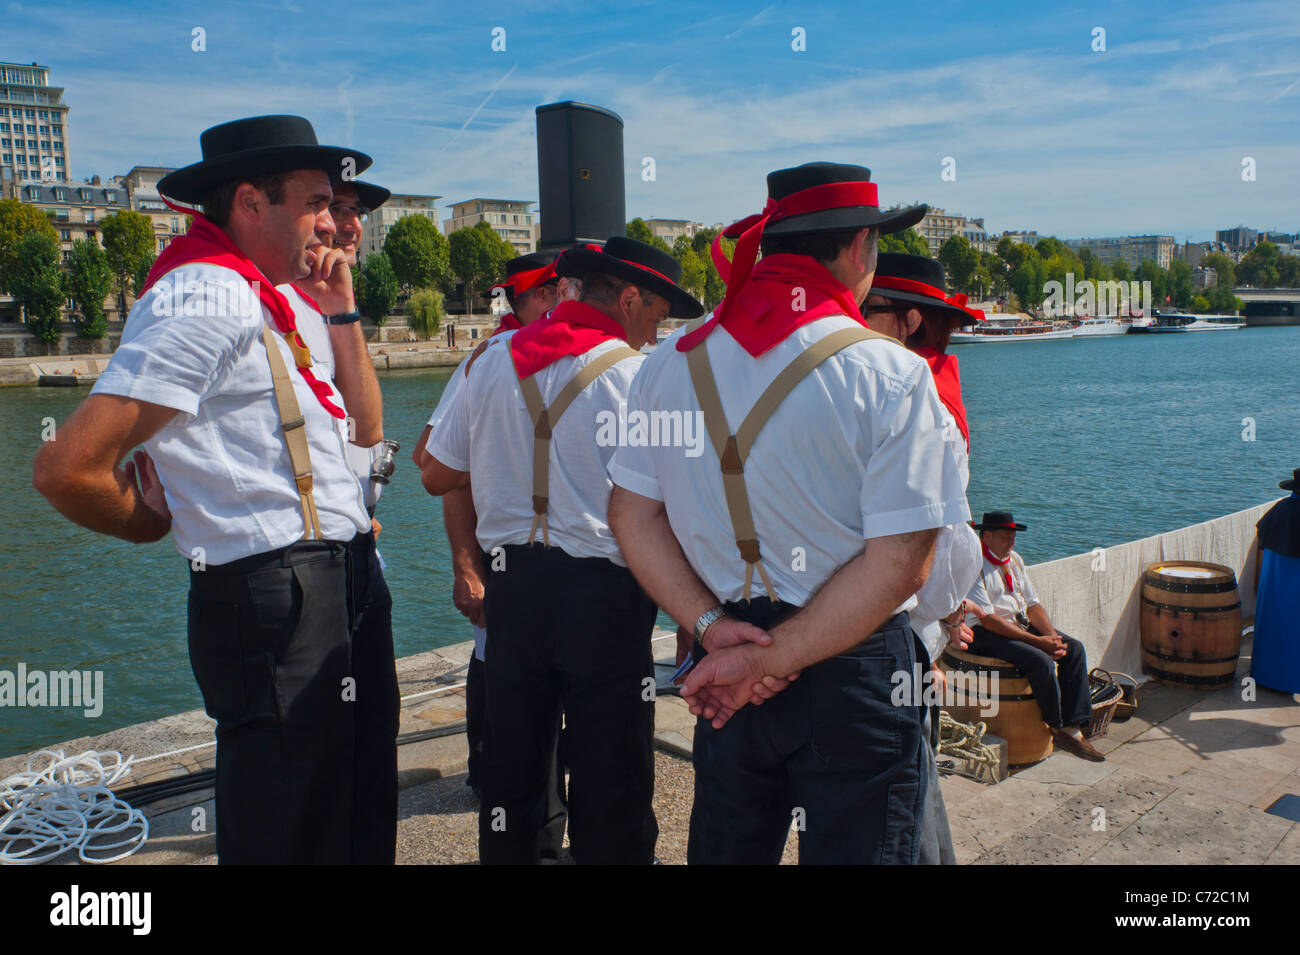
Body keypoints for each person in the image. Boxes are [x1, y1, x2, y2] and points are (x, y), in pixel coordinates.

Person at [31, 115, 385, 863]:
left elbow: (358, 430)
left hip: (326, 579)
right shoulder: (207, 295)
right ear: (252, 202)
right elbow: (67, 468)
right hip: (277, 593)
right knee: (289, 821)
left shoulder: (269, 297)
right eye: (319, 201)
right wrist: (145, 522)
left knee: (346, 802)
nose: (335, 220)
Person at [608, 162, 969, 865]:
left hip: (728, 656)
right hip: (852, 671)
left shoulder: (667, 365)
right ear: (861, 248)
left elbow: (631, 517)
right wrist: (768, 659)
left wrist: (718, 634)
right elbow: (902, 565)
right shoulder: (893, 374)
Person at [420, 237, 703, 864]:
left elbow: (436, 474)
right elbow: (681, 511)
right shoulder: (638, 377)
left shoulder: (491, 361)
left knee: (515, 769)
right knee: (614, 774)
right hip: (605, 596)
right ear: (629, 299)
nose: (656, 328)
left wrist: (504, 461)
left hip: (512, 588)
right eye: (656, 312)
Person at [414, 249, 570, 860]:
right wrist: (466, 567)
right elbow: (439, 467)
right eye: (549, 292)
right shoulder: (487, 362)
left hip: (562, 580)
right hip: (514, 574)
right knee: (518, 749)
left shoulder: (586, 357)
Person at [862, 251, 986, 865]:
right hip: (907, 636)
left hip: (896, 636)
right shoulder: (932, 392)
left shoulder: (914, 398)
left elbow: (943, 548)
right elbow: (951, 553)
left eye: (866, 307)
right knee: (908, 798)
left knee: (900, 805)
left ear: (907, 322)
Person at [290, 175, 401, 863]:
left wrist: (346, 317)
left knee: (370, 750)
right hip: (304, 567)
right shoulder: (276, 307)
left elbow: (367, 433)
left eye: (355, 214)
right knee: (310, 772)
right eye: (335, 209)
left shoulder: (330, 307)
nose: (348, 227)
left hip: (354, 557)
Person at [964, 511, 1104, 761]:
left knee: (1074, 649)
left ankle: (1074, 724)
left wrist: (1052, 637)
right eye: (1006, 537)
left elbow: (1032, 605)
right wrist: (1039, 642)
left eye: (1013, 537)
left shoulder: (1014, 560)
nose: (1012, 542)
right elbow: (988, 619)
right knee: (1039, 659)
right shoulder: (974, 565)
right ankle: (1056, 725)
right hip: (984, 632)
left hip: (1016, 622)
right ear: (986, 536)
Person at [1251, 468, 1300, 694]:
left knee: (1271, 622)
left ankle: (1265, 675)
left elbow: (1262, 535)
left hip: (1274, 577)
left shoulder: (1280, 508)